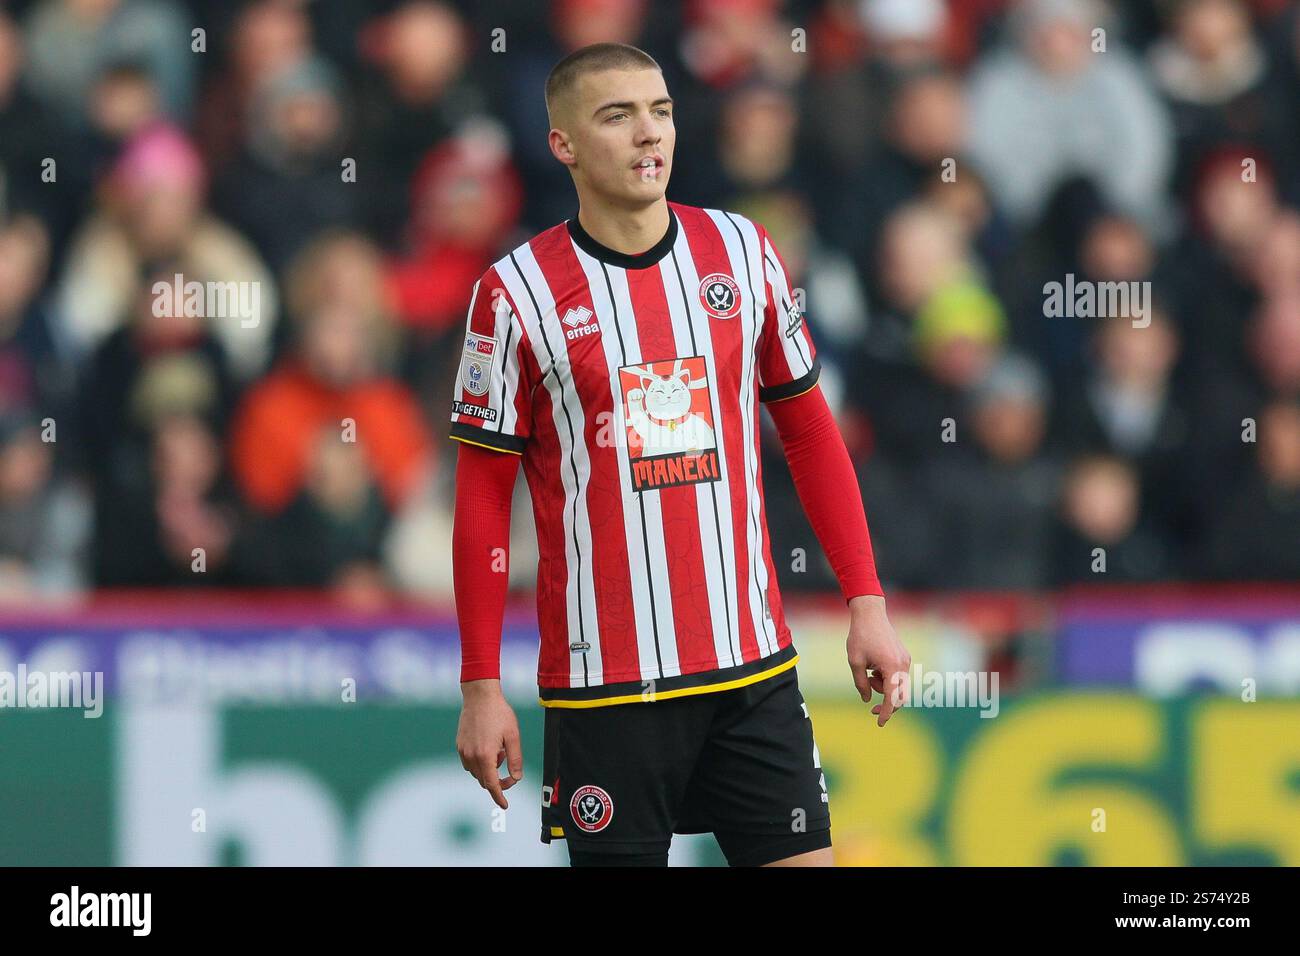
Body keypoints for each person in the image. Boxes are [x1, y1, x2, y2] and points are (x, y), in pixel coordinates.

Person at [449, 42, 908, 868]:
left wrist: (865, 600)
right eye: (617, 116)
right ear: (564, 145)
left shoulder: (742, 250)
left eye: (659, 111)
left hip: (750, 670)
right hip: (606, 688)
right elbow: (483, 494)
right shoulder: (514, 292)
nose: (647, 134)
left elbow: (807, 430)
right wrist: (481, 683)